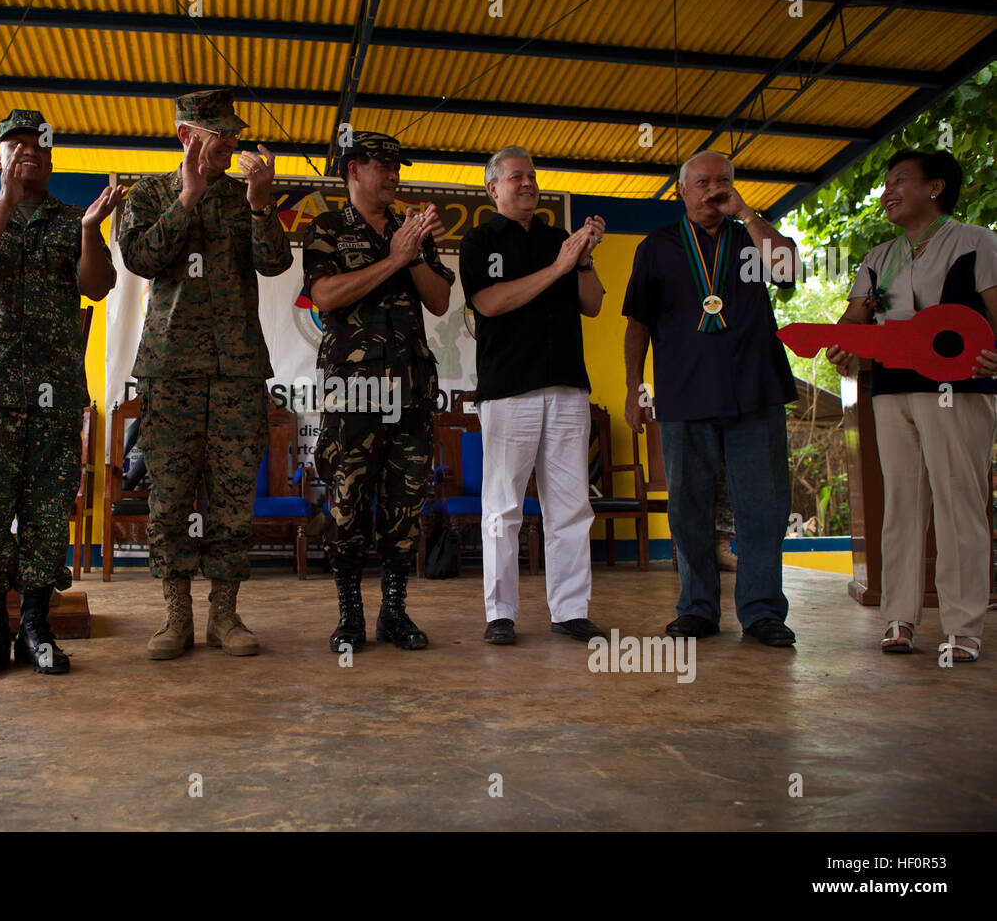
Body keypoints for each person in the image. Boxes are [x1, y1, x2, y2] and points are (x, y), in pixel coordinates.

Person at [0, 110, 122, 677]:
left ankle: (37, 629)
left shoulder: (73, 220)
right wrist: (4, 202)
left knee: (46, 512)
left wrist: (92, 232)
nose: (29, 153)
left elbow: (98, 285)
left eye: (39, 145)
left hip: (55, 390)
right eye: (15, 145)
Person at [119, 88, 292, 660]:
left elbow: (274, 263)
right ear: (186, 135)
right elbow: (141, 259)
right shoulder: (149, 193)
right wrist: (187, 201)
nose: (233, 143)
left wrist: (263, 205)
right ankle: (176, 616)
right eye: (221, 133)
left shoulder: (247, 197)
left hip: (239, 368)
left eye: (234, 134)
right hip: (171, 370)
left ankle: (225, 613)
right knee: (168, 499)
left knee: (233, 498)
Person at [825, 149, 997, 664]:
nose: (887, 193)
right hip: (892, 389)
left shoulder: (978, 241)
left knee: (958, 501)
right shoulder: (879, 256)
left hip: (959, 387)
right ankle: (898, 618)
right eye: (885, 184)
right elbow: (853, 321)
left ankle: (963, 626)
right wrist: (842, 345)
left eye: (899, 180)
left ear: (936, 187)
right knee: (901, 503)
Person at [622, 150, 799, 647]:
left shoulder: (751, 237)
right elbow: (637, 324)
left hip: (755, 391)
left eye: (723, 180)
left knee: (762, 507)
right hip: (684, 393)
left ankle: (763, 612)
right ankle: (698, 607)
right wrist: (635, 389)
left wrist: (746, 213)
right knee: (688, 506)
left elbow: (787, 271)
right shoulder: (656, 246)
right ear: (682, 190)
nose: (713, 189)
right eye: (702, 182)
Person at [303, 131, 454, 652]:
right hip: (353, 395)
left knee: (405, 504)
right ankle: (350, 615)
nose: (394, 175)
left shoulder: (411, 230)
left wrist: (411, 253)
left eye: (397, 167)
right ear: (354, 170)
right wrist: (392, 259)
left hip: (410, 391)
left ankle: (394, 612)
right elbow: (325, 296)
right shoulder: (327, 227)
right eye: (384, 166)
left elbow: (438, 301)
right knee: (347, 505)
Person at [458, 146, 607, 646]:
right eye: (516, 177)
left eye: (532, 176)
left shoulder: (557, 239)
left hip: (567, 386)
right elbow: (489, 303)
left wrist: (581, 260)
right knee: (502, 508)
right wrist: (558, 268)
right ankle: (500, 613)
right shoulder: (479, 241)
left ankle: (569, 610)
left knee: (570, 506)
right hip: (508, 392)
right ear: (492, 188)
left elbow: (592, 305)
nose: (527, 184)